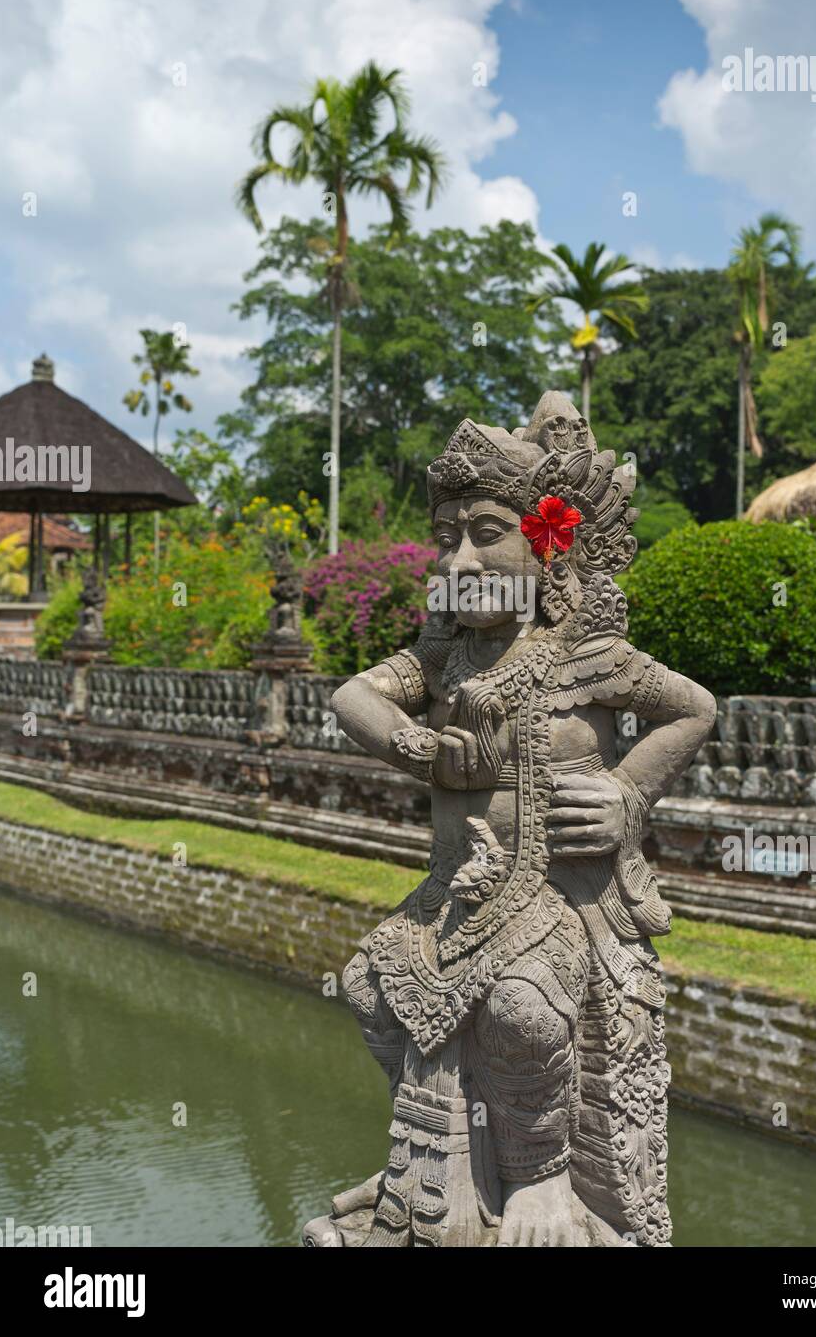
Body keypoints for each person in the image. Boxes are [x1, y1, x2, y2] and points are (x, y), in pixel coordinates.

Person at [324, 392, 716, 1248]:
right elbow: (350, 696)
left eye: (486, 534)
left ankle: (538, 1180)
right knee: (367, 990)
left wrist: (626, 797)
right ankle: (428, 1164)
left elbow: (692, 708)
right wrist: (420, 749)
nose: (457, 560)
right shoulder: (441, 653)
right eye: (445, 539)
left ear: (550, 551)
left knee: (520, 1012)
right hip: (453, 895)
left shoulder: (588, 655)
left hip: (558, 896)